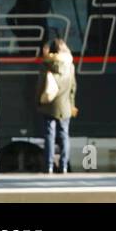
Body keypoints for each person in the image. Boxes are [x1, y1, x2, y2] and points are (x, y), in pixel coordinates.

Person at [37, 38, 78, 174]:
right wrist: (72, 105)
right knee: (64, 134)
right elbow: (73, 87)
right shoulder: (70, 65)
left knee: (49, 135)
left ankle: (49, 166)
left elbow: (40, 85)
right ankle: (64, 166)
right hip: (65, 106)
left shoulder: (46, 64)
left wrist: (39, 101)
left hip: (49, 105)